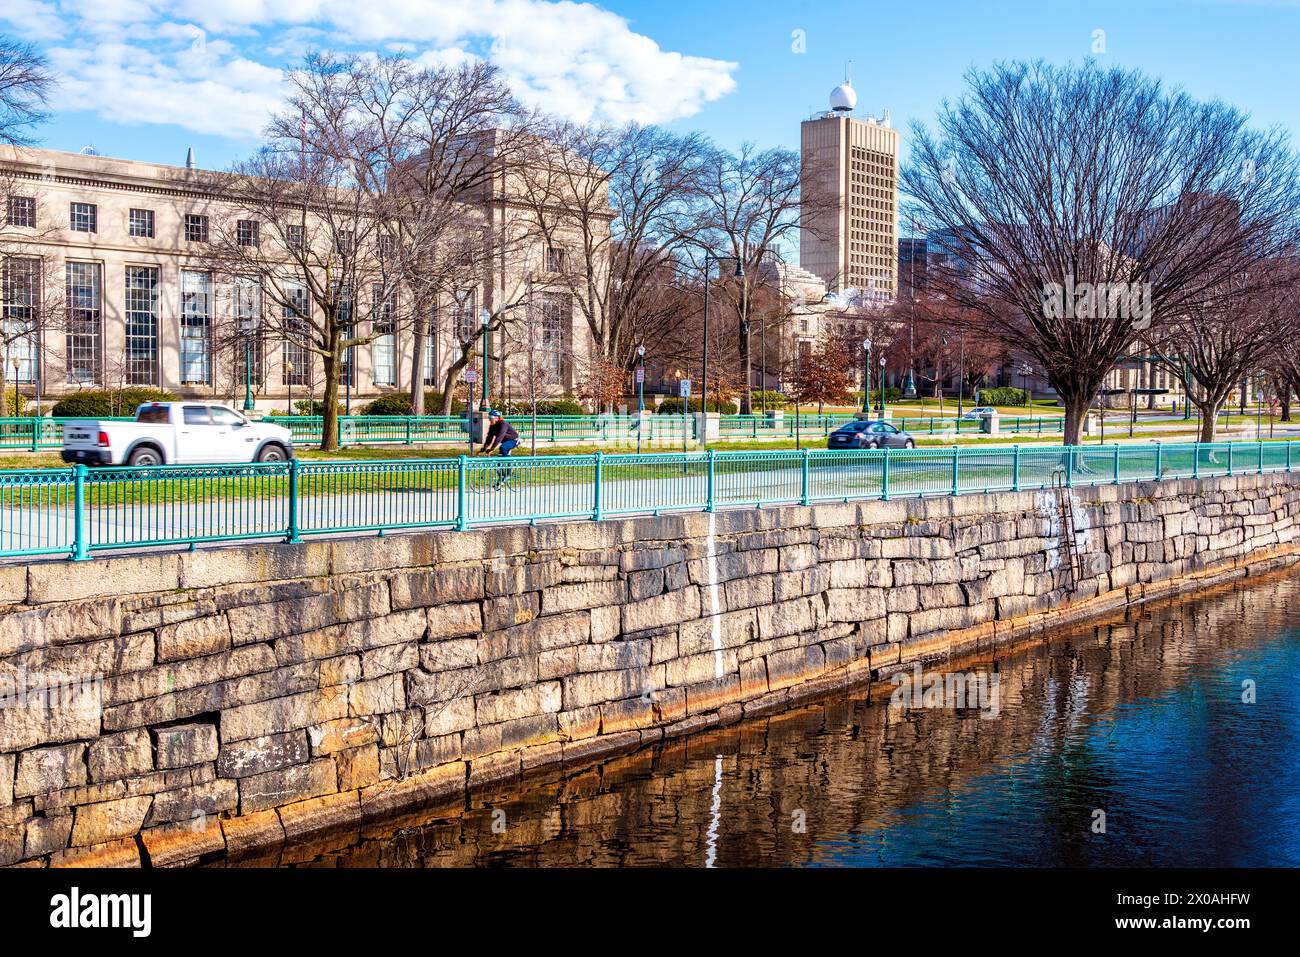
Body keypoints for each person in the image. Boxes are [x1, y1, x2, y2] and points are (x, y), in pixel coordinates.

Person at [479, 409, 519, 486]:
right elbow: (489, 438)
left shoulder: (503, 424)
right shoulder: (492, 426)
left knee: (503, 447)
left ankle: (508, 471)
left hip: (513, 440)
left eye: (491, 418)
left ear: (497, 418)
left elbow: (499, 438)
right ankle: (502, 478)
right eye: (489, 418)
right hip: (505, 441)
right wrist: (484, 448)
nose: (490, 420)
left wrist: (492, 449)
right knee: (498, 461)